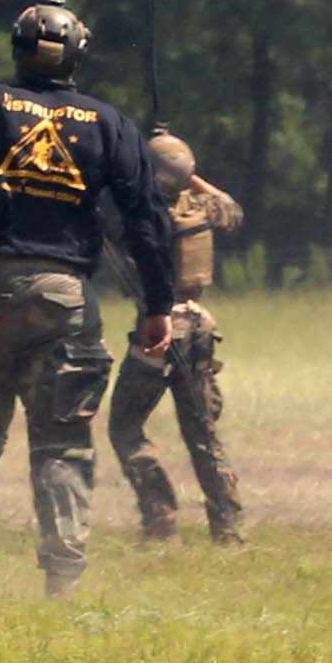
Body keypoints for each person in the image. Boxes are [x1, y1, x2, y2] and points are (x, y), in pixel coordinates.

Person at [0, 0, 183, 600]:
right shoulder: (109, 123)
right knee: (62, 445)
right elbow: (145, 218)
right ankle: (62, 591)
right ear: (77, 56)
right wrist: (157, 304)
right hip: (66, 300)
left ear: (17, 48)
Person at [108, 128, 249, 544]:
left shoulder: (146, 214)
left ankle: (160, 514)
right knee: (202, 434)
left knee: (125, 426)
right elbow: (233, 209)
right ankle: (229, 530)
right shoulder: (204, 208)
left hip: (159, 328)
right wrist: (185, 172)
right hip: (201, 325)